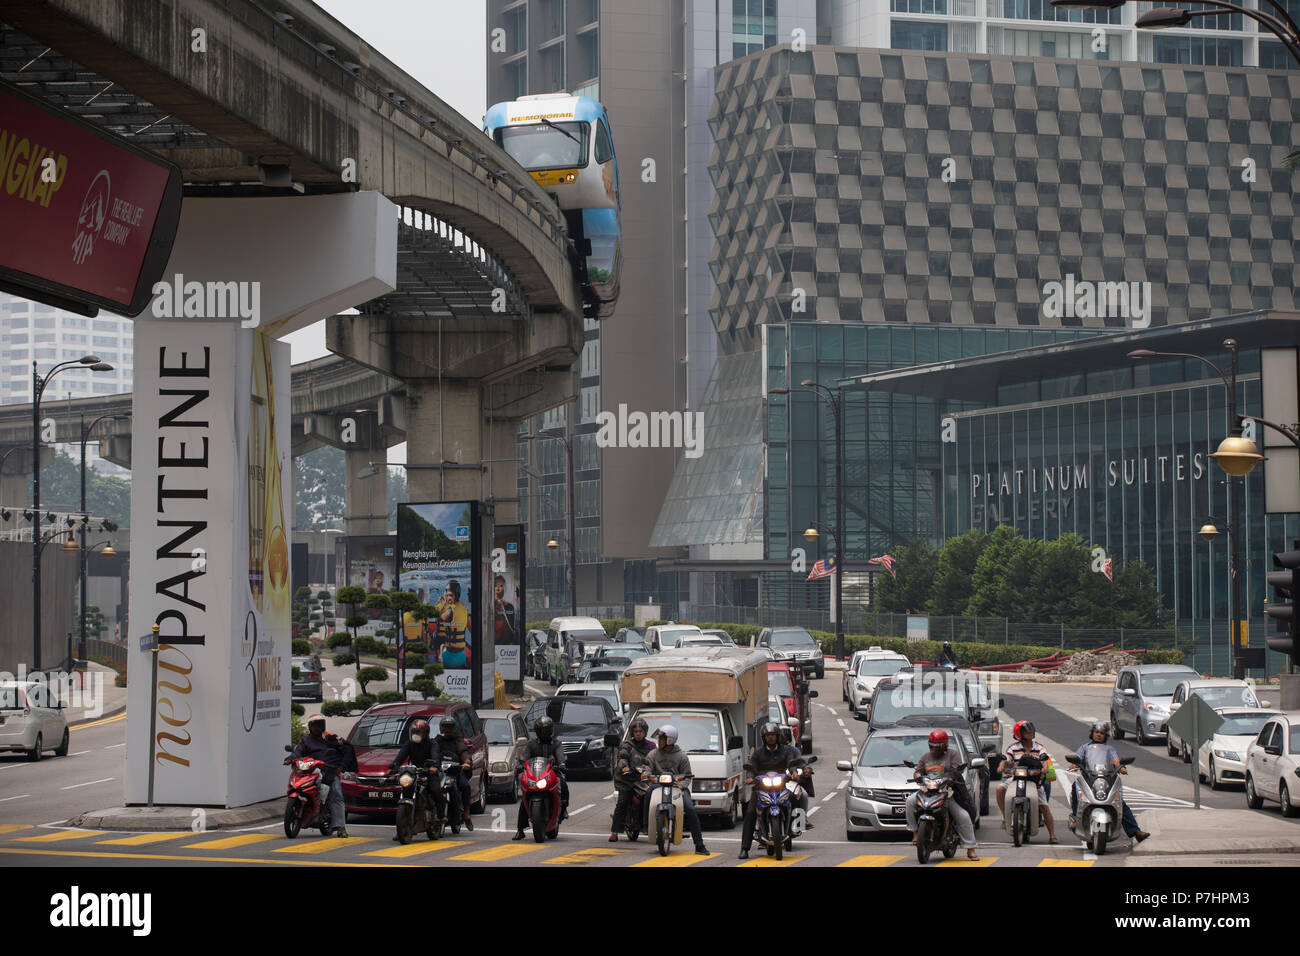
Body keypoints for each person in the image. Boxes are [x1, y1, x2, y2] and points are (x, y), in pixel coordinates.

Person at [905, 729, 980, 861]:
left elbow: (956, 770)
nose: (935, 749)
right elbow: (919, 771)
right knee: (910, 802)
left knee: (963, 816)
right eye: (933, 746)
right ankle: (915, 833)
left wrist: (949, 778)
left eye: (938, 746)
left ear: (945, 745)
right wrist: (917, 776)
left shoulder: (953, 755)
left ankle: (971, 848)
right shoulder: (925, 757)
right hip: (928, 790)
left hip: (947, 792)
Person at [1070, 721, 1149, 843]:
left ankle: (1135, 832)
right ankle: (1076, 818)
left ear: (1106, 735)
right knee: (1075, 787)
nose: (1099, 735)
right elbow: (1077, 758)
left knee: (1120, 803)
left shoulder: (1109, 749)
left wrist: (1121, 767)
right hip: (1089, 778)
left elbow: (1115, 760)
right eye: (1096, 732)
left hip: (1106, 779)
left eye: (1102, 733)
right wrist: (1074, 764)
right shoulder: (1084, 748)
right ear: (1092, 733)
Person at [738, 721, 808, 859]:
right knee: (751, 812)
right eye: (767, 735)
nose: (770, 738)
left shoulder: (786, 751)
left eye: (772, 735)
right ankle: (744, 848)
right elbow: (752, 767)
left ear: (777, 736)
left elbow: (791, 764)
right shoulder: (758, 752)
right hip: (761, 788)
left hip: (781, 786)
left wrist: (794, 773)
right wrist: (750, 777)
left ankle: (795, 828)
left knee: (796, 798)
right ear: (763, 737)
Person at [287, 714, 357, 838]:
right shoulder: (306, 740)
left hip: (329, 770)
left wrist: (341, 767)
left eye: (320, 723)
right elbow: (297, 751)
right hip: (311, 770)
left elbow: (348, 749)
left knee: (336, 793)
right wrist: (290, 759)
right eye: (315, 724)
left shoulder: (330, 737)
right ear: (310, 726)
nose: (319, 727)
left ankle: (341, 827)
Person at [643, 725, 710, 855]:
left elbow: (687, 776)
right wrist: (646, 774)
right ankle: (646, 825)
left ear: (670, 740)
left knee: (690, 808)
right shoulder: (653, 754)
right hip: (658, 785)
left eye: (661, 738)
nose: (659, 741)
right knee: (648, 793)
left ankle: (699, 844)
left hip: (677, 788)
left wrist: (681, 785)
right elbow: (647, 768)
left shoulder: (682, 756)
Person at [996, 720, 1060, 844]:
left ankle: (1052, 834)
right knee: (999, 789)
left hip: (1034, 780)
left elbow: (1044, 759)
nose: (1030, 733)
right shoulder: (1013, 748)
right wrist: (1002, 765)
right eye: (1026, 731)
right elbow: (1007, 760)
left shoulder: (1039, 747)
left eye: (1031, 730)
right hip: (1016, 778)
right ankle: (1005, 817)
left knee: (1044, 806)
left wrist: (1044, 767)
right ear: (1019, 734)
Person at [513, 715, 570, 839]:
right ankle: (520, 830)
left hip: (552, 773)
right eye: (543, 730)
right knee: (525, 796)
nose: (545, 732)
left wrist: (561, 764)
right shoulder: (531, 744)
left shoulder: (556, 744)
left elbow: (560, 756)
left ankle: (564, 808)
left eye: (547, 730)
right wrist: (520, 765)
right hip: (535, 775)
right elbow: (524, 757)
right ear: (538, 731)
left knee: (563, 784)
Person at [386, 719, 445, 837]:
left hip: (429, 772)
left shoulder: (432, 744)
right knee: (405, 789)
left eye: (418, 732)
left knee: (435, 790)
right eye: (414, 731)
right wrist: (393, 767)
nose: (416, 734)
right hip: (414, 772)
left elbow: (435, 756)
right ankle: (402, 829)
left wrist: (434, 766)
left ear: (426, 733)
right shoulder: (409, 743)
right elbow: (401, 756)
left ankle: (440, 816)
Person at [610, 717, 656, 842]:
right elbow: (622, 758)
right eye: (635, 732)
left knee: (652, 797)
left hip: (644, 779)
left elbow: (654, 761)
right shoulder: (626, 745)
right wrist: (624, 767)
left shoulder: (652, 746)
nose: (638, 734)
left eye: (640, 731)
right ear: (632, 732)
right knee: (622, 802)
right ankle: (615, 831)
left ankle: (649, 825)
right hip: (628, 779)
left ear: (645, 732)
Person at [434, 716, 474, 832]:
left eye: (450, 727)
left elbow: (463, 752)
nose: (448, 730)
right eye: (445, 727)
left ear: (454, 728)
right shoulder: (437, 741)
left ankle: (466, 814)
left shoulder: (458, 740)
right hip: (441, 772)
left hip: (456, 771)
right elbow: (433, 753)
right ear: (441, 729)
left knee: (465, 786)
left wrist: (466, 762)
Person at [436, 581, 471, 668]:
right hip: (461, 656)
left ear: (457, 595)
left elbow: (439, 617)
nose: (448, 598)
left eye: (450, 595)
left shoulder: (449, 610)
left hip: (449, 656)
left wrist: (443, 603)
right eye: (447, 595)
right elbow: (471, 628)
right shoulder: (465, 610)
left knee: (441, 647)